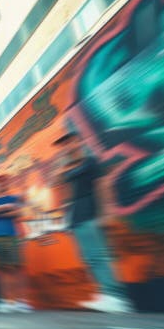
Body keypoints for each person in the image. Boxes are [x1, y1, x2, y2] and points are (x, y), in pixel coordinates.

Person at [54, 133, 133, 313]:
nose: (66, 147)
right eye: (63, 145)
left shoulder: (90, 162)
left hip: (90, 211)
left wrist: (106, 212)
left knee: (98, 255)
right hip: (76, 216)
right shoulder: (67, 168)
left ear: (78, 142)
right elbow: (58, 185)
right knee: (89, 257)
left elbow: (103, 185)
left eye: (69, 143)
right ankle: (106, 294)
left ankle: (116, 297)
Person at [0, 174, 31, 313]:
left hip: (12, 236)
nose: (2, 184)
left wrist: (2, 212)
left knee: (16, 269)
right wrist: (7, 208)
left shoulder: (13, 197)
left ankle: (21, 301)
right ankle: (7, 301)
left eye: (4, 181)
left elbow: (18, 211)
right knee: (2, 270)